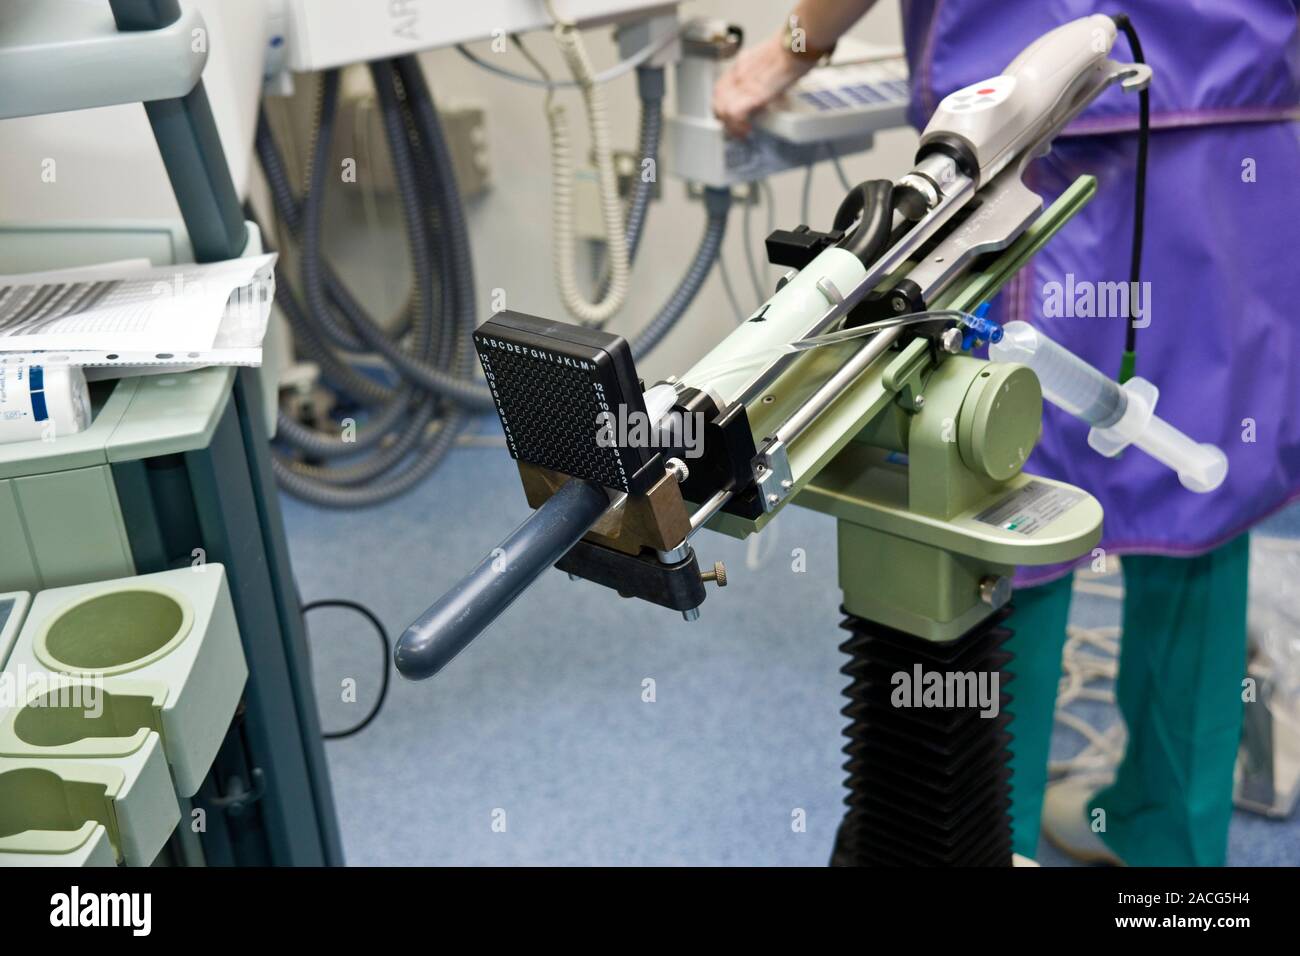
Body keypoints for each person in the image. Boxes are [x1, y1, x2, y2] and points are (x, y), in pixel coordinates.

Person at [715, 0, 1300, 865]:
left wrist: (795, 46)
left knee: (995, 490)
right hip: (1236, 129)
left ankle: (993, 841)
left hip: (1036, 144)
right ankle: (1164, 842)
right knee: (1196, 493)